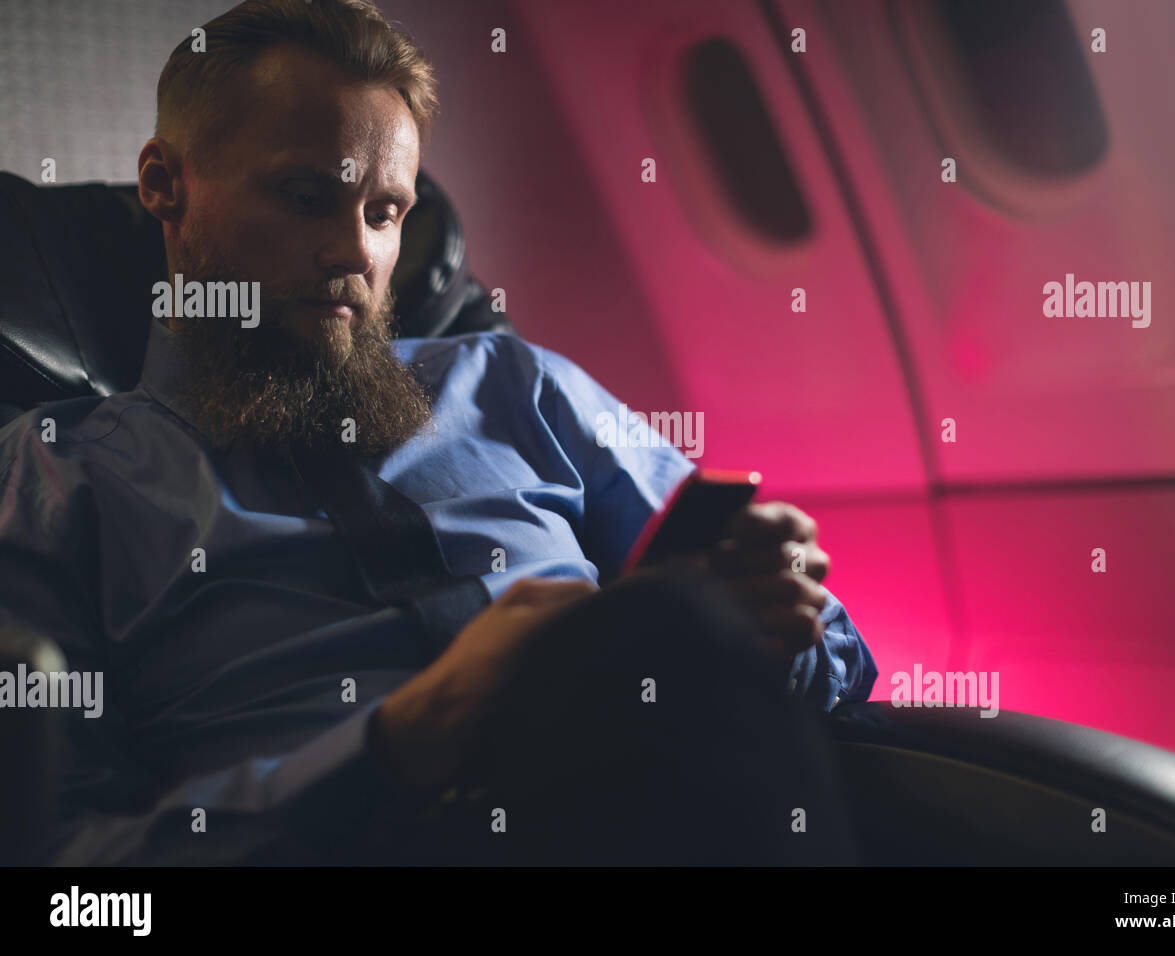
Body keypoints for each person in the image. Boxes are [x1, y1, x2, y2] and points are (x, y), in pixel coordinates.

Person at [0, 0, 877, 865]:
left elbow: (835, 647)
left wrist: (768, 622)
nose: (355, 252)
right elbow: (65, 870)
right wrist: (404, 740)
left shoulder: (514, 383)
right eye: (308, 196)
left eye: (386, 213)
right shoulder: (54, 476)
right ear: (164, 183)